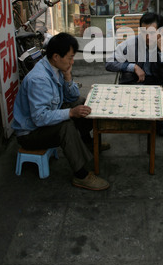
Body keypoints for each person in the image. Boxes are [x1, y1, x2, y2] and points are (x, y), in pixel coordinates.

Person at [12, 33, 110, 191]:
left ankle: (87, 143)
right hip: (30, 133)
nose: (72, 62)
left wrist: (68, 76)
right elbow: (40, 118)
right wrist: (71, 113)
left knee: (82, 103)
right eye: (70, 58)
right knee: (66, 126)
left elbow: (72, 96)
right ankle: (81, 175)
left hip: (44, 121)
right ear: (56, 56)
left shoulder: (55, 68)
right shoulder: (39, 79)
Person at [105, 12, 163, 86]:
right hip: (135, 81)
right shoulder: (131, 43)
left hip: (159, 81)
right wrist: (133, 67)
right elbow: (109, 63)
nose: (148, 37)